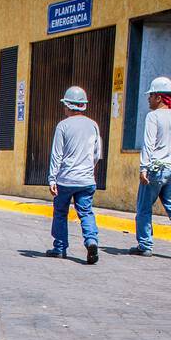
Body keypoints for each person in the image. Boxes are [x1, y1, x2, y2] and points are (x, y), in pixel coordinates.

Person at [131, 76, 171, 260]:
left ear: (159, 97)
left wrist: (143, 168)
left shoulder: (153, 116)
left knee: (144, 207)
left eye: (151, 95)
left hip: (156, 170)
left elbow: (148, 144)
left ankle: (145, 245)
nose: (148, 99)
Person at [45, 85, 102, 263]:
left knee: (60, 212)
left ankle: (60, 247)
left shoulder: (63, 126)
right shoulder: (93, 125)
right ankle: (91, 241)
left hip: (66, 180)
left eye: (65, 105)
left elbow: (57, 154)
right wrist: (88, 170)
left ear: (69, 106)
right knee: (86, 212)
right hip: (86, 180)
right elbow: (97, 153)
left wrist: (52, 178)